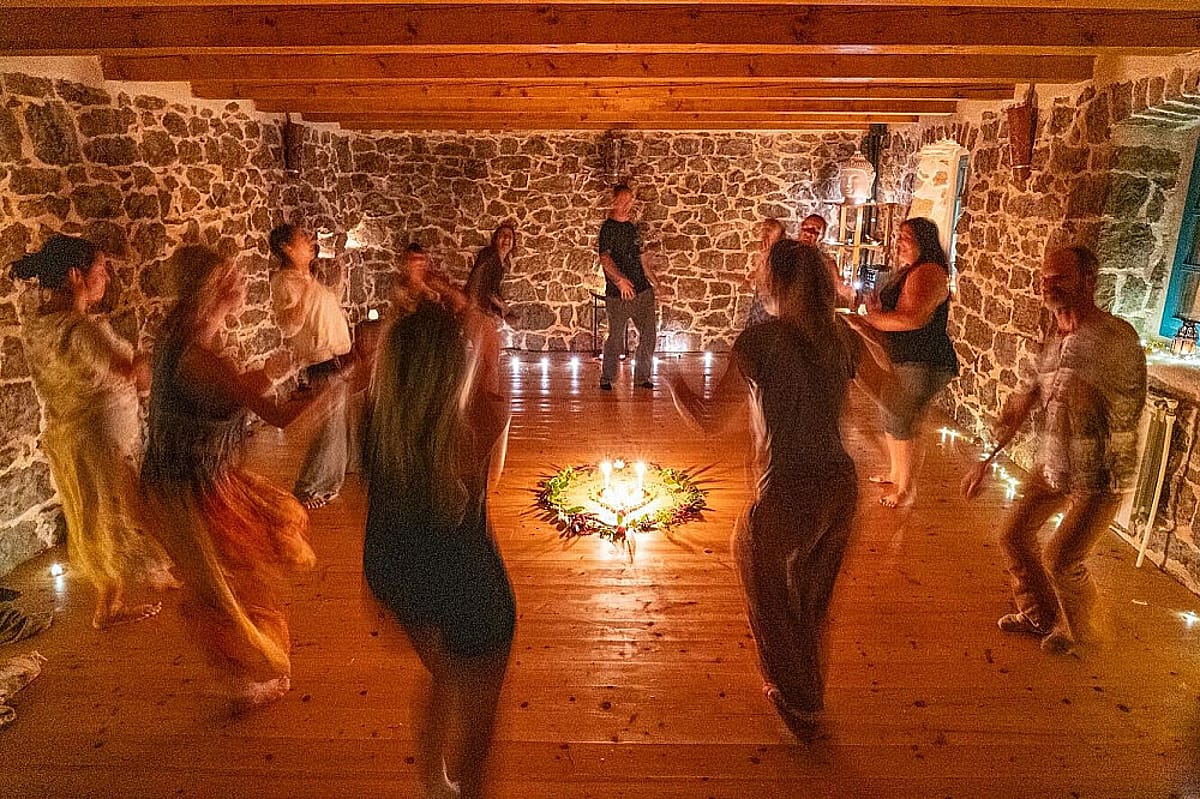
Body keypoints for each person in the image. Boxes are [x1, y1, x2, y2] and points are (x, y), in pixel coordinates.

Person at [666, 240, 857, 741]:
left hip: (790, 489)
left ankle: (799, 706)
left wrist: (674, 382)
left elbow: (708, 420)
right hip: (841, 488)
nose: (754, 270)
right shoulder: (840, 336)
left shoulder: (760, 341)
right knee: (811, 598)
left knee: (762, 575)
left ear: (776, 279)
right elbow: (897, 398)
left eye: (760, 264)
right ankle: (808, 690)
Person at [141, 244, 341, 711]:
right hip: (186, 489)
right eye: (233, 278)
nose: (243, 284)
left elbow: (225, 396)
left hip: (200, 478)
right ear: (212, 290)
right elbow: (277, 417)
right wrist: (337, 385)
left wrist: (267, 374)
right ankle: (241, 684)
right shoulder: (197, 355)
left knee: (238, 577)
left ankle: (241, 676)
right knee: (223, 589)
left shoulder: (187, 340)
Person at [962, 246, 1146, 656]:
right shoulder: (1052, 336)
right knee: (1013, 537)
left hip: (1101, 473)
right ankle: (1039, 615)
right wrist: (990, 453)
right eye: (1044, 277)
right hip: (1054, 463)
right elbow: (1027, 397)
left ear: (1088, 280)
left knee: (1061, 559)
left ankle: (1088, 634)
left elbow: (1125, 406)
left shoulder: (1115, 339)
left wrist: (1081, 400)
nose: (1047, 285)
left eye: (1059, 277)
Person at [363, 300, 514, 799]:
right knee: (478, 709)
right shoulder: (481, 417)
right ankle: (466, 789)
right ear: (454, 365)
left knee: (443, 670)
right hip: (468, 584)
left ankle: (432, 781)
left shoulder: (372, 421)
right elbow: (493, 473)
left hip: (396, 571)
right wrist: (484, 351)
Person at [12, 235, 170, 629]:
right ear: (75, 275)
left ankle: (108, 606)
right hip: (102, 438)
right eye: (101, 269)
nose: (107, 277)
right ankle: (182, 582)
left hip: (69, 435)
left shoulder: (37, 326)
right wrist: (153, 356)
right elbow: (131, 372)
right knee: (132, 511)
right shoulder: (83, 330)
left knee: (98, 516)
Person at [845, 217, 959, 508]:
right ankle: (896, 475)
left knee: (902, 419)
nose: (898, 241)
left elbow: (913, 319)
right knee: (892, 415)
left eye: (905, 236)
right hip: (904, 357)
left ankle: (905, 488)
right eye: (898, 235)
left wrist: (869, 319)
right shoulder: (910, 271)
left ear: (923, 240)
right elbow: (897, 314)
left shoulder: (930, 272)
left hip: (924, 359)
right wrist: (876, 312)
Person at [269, 223, 353, 510]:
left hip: (337, 357)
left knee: (338, 426)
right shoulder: (285, 282)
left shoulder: (306, 278)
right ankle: (308, 489)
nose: (309, 242)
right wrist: (306, 287)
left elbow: (325, 309)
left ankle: (329, 484)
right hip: (322, 361)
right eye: (302, 239)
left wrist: (337, 278)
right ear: (287, 248)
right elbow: (291, 325)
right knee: (329, 428)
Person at [598, 184, 663, 391]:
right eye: (624, 201)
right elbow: (605, 259)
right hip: (619, 296)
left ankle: (642, 376)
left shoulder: (633, 228)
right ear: (615, 201)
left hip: (642, 291)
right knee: (615, 338)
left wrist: (656, 282)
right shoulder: (608, 229)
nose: (628, 206)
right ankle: (608, 377)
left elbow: (642, 259)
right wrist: (620, 281)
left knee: (649, 335)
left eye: (630, 201)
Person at [798, 213, 855, 308]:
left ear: (821, 237)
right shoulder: (786, 255)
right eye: (806, 228)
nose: (809, 234)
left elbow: (840, 291)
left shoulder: (827, 263)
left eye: (815, 231)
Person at [464, 223, 516, 319]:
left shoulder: (501, 264)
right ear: (495, 239)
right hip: (475, 307)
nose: (507, 238)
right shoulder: (489, 255)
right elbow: (482, 285)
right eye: (503, 234)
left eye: (510, 236)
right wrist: (503, 307)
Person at [744, 218, 786, 328]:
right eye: (763, 229)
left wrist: (765, 258)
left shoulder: (783, 258)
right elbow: (755, 284)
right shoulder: (763, 256)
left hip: (770, 323)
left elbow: (771, 292)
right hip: (755, 318)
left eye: (770, 229)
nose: (765, 232)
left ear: (780, 236)